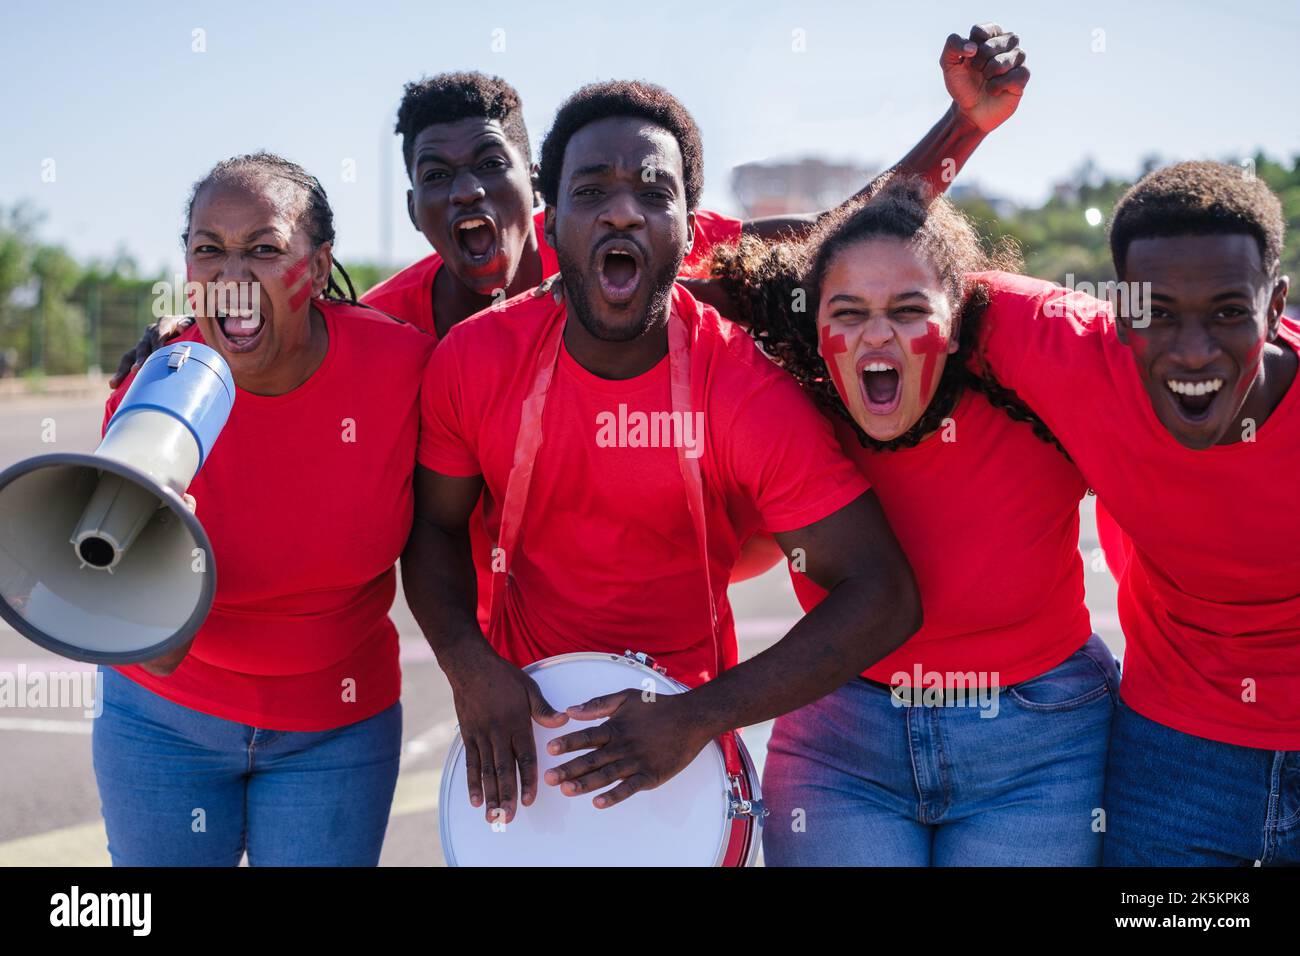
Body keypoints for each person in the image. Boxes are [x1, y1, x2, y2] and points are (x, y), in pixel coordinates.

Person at [403, 81, 922, 824]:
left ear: (689, 226)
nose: (622, 211)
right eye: (591, 191)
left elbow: (882, 592)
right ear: (553, 223)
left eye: (654, 192)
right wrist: (467, 660)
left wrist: (696, 717)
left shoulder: (742, 387)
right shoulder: (474, 361)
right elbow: (435, 525)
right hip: (525, 732)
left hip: (685, 740)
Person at [712, 176, 1118, 865]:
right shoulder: (789, 404)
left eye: (908, 310)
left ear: (956, 321)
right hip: (842, 737)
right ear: (814, 326)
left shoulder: (1040, 375)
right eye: (848, 312)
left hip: (1039, 742)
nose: (877, 333)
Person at [93, 152, 433, 866]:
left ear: (317, 265)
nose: (231, 275)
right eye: (207, 250)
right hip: (162, 725)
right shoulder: (150, 396)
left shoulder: (404, 369)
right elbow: (149, 644)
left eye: (265, 249)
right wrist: (157, 549)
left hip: (338, 730)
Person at [973, 160, 1298, 865]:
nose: (1192, 350)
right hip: (1175, 752)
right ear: (1119, 310)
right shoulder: (1067, 352)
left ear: (1276, 308)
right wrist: (962, 130)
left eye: (1227, 311)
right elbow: (870, 270)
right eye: (1158, 313)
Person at [362, 22, 1027, 341]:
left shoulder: (633, 236)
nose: (467, 191)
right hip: (506, 609)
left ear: (539, 187)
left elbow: (832, 238)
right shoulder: (385, 329)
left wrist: (964, 125)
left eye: (489, 163)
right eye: (437, 176)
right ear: (413, 205)